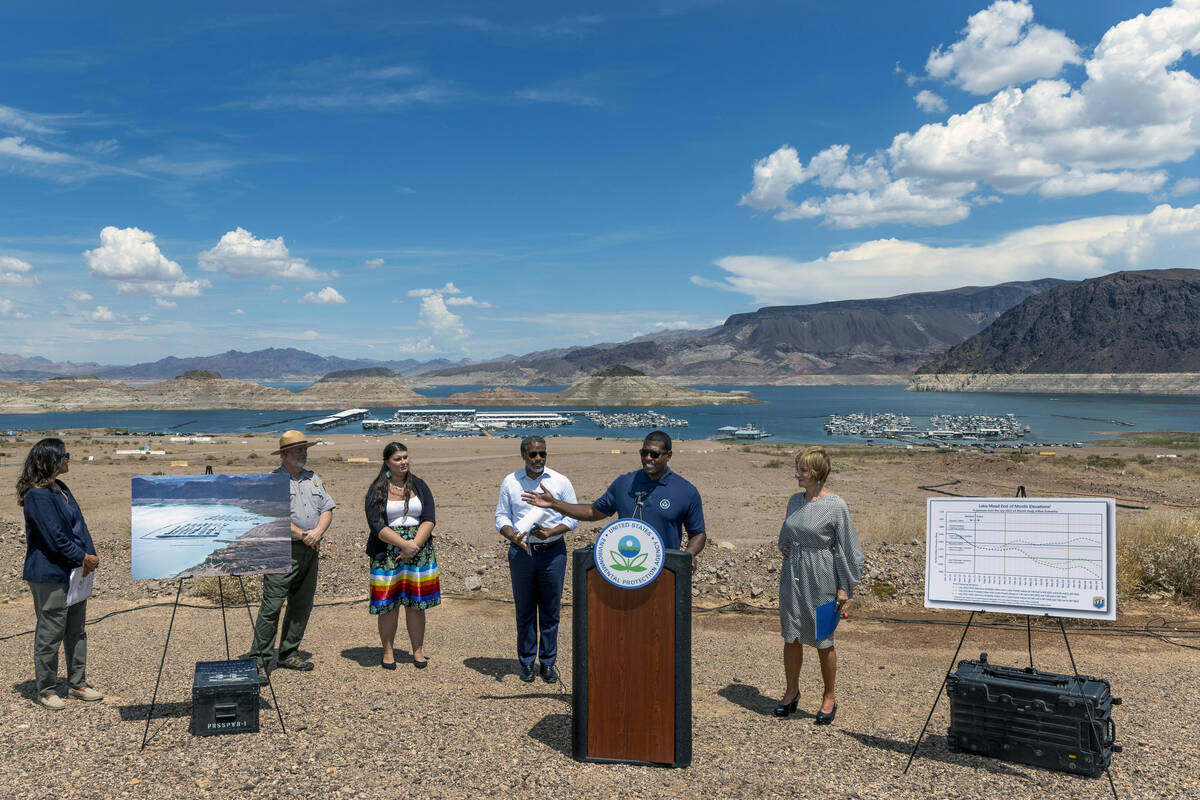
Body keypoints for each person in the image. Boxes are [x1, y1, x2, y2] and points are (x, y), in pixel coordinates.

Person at [774, 445, 863, 724]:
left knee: (824, 640)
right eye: (797, 469)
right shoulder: (794, 501)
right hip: (792, 575)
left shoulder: (836, 506)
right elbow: (785, 532)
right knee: (791, 636)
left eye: (802, 470)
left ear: (817, 472)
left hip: (822, 575)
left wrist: (845, 586)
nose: (797, 475)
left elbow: (849, 549)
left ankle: (829, 696)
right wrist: (785, 546)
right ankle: (791, 691)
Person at [523, 430, 706, 562]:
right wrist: (554, 504)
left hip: (665, 570)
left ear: (668, 455)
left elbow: (698, 534)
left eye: (654, 454)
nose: (648, 458)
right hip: (625, 568)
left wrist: (688, 556)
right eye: (644, 453)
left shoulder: (686, 491)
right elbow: (592, 512)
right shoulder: (624, 483)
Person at [16, 438, 103, 710]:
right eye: (64, 454)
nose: (68, 458)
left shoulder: (61, 488)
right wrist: (83, 557)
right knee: (50, 631)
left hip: (76, 570)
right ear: (50, 459)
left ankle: (78, 683)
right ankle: (46, 689)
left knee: (76, 630)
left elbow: (80, 526)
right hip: (50, 573)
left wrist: (89, 556)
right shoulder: (36, 495)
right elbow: (54, 537)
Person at [245, 430, 335, 680]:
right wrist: (304, 535)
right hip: (282, 549)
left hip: (310, 549)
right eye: (298, 450)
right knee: (272, 607)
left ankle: (288, 653)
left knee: (301, 604)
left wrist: (317, 532)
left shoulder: (313, 478)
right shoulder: (273, 482)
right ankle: (258, 662)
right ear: (284, 454)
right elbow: (273, 518)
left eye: (305, 449)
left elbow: (327, 508)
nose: (304, 453)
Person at [495, 436, 578, 683]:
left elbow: (573, 517)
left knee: (551, 610)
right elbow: (501, 516)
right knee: (525, 610)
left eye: (542, 453)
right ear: (523, 455)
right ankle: (527, 662)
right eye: (533, 454)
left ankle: (548, 663)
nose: (538, 458)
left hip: (553, 552)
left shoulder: (560, 481)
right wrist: (512, 536)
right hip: (522, 553)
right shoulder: (510, 482)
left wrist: (551, 532)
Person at [364, 442, 439, 669]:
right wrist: (402, 545)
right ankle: (388, 652)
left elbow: (429, 517)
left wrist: (414, 545)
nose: (403, 462)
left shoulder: (420, 484)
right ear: (387, 463)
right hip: (387, 551)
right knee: (389, 604)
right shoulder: (377, 489)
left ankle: (418, 651)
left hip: (419, 549)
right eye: (398, 459)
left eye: (405, 457)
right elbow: (376, 524)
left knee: (416, 603)